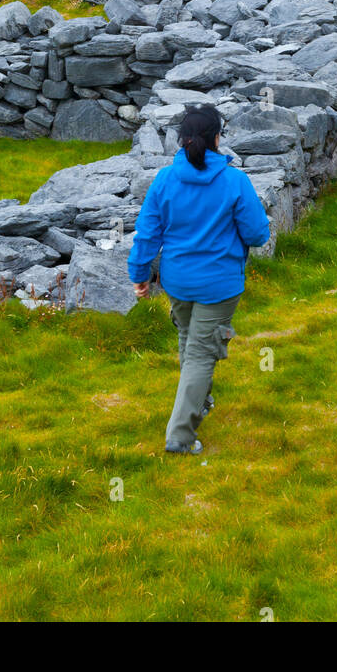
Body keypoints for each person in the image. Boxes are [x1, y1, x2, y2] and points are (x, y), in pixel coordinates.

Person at [127, 104, 270, 454]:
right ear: (216, 139)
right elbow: (256, 234)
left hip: (178, 281)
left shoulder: (164, 180)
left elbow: (147, 233)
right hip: (219, 285)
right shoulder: (235, 181)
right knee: (202, 353)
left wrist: (140, 274)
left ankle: (197, 402)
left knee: (191, 340)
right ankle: (180, 435)